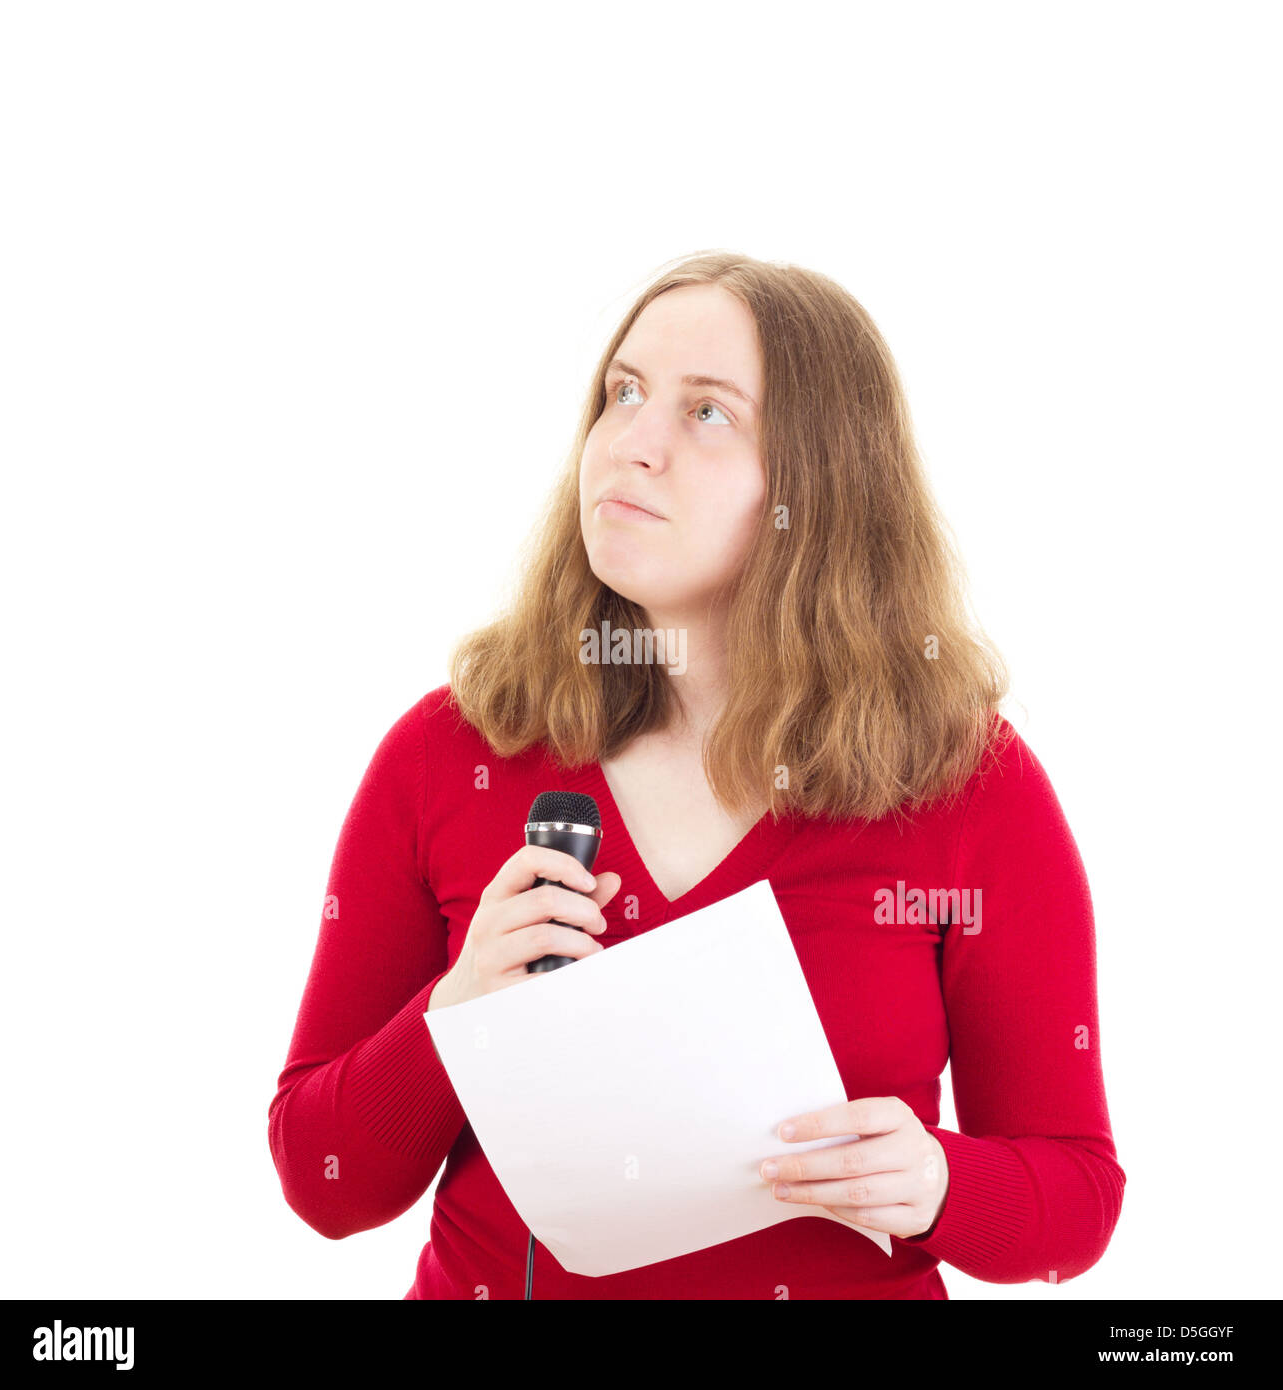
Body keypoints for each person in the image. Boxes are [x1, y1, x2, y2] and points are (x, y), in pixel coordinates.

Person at [267, 251, 1126, 1299]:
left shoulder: (967, 784)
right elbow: (323, 1184)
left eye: (707, 412)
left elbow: (1074, 1204)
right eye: (622, 392)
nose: (632, 442)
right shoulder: (450, 751)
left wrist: (942, 1182)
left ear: (818, 486)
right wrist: (455, 1009)